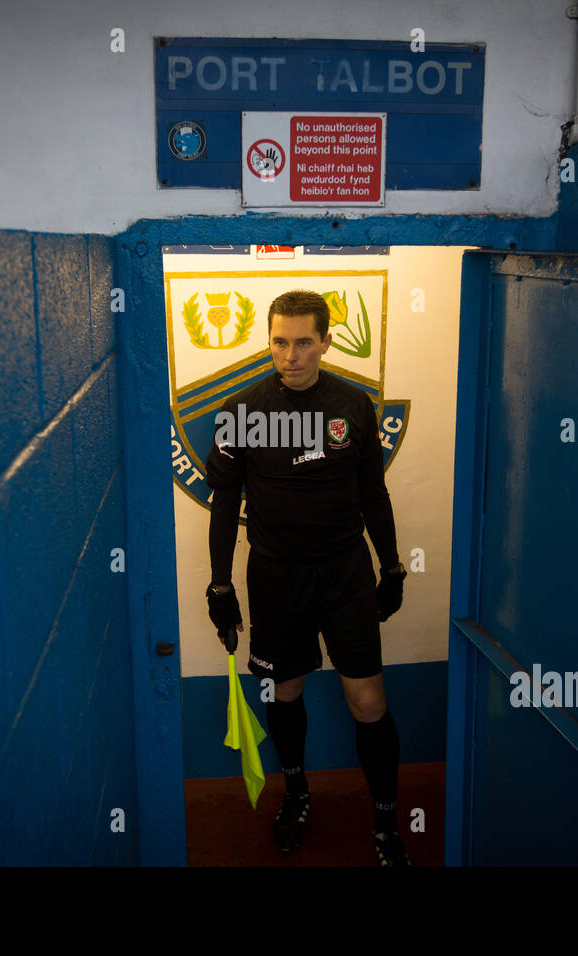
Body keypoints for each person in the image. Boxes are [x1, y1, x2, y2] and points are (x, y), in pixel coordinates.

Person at [203, 288, 410, 866]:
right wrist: (220, 585)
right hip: (274, 577)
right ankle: (295, 794)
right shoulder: (241, 411)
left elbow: (373, 491)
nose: (290, 355)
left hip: (344, 575)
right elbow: (224, 501)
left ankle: (387, 821)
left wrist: (390, 563)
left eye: (302, 342)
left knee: (367, 700)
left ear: (324, 341)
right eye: (278, 342)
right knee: (285, 689)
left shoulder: (353, 406)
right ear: (269, 341)